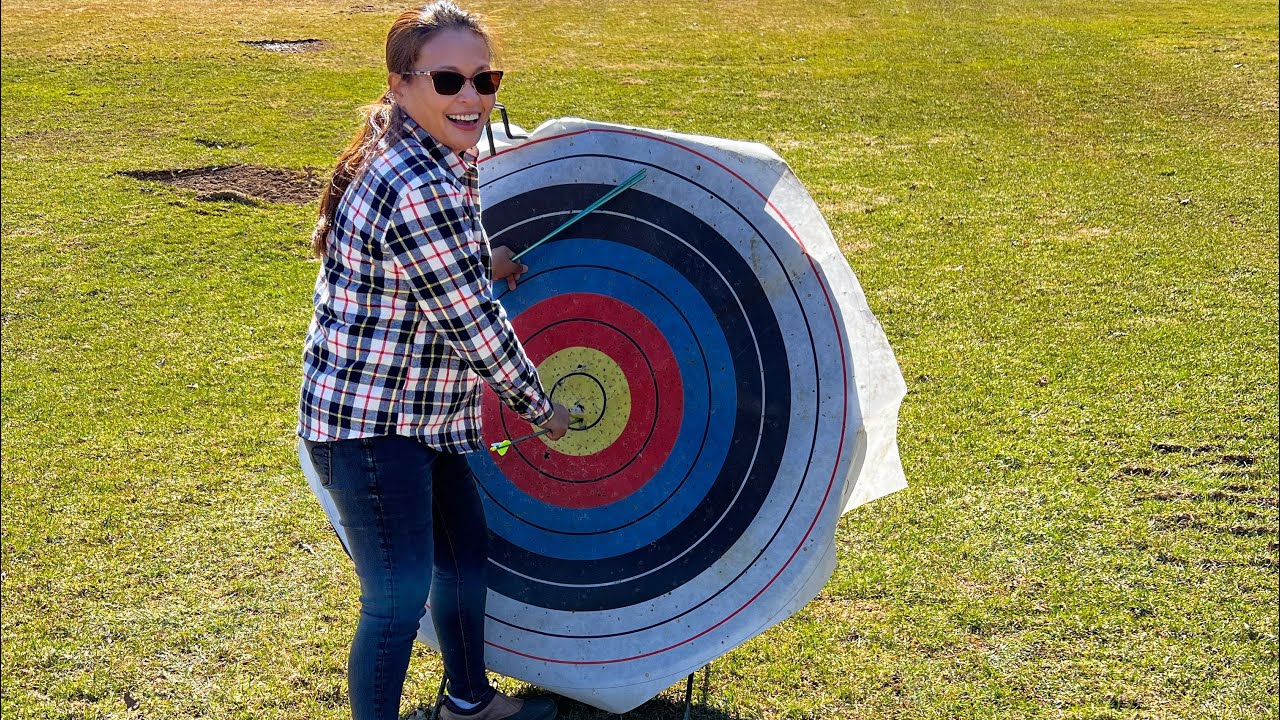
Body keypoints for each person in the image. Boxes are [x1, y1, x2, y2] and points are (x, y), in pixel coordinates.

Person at [298, 4, 568, 719]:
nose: (471, 96)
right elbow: (473, 326)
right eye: (448, 79)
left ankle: (468, 702)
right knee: (395, 599)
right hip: (372, 431)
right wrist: (541, 409)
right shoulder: (420, 182)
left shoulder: (422, 155)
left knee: (464, 559)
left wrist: (484, 259)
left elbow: (429, 267)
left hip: (417, 416)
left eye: (485, 78)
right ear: (399, 84)